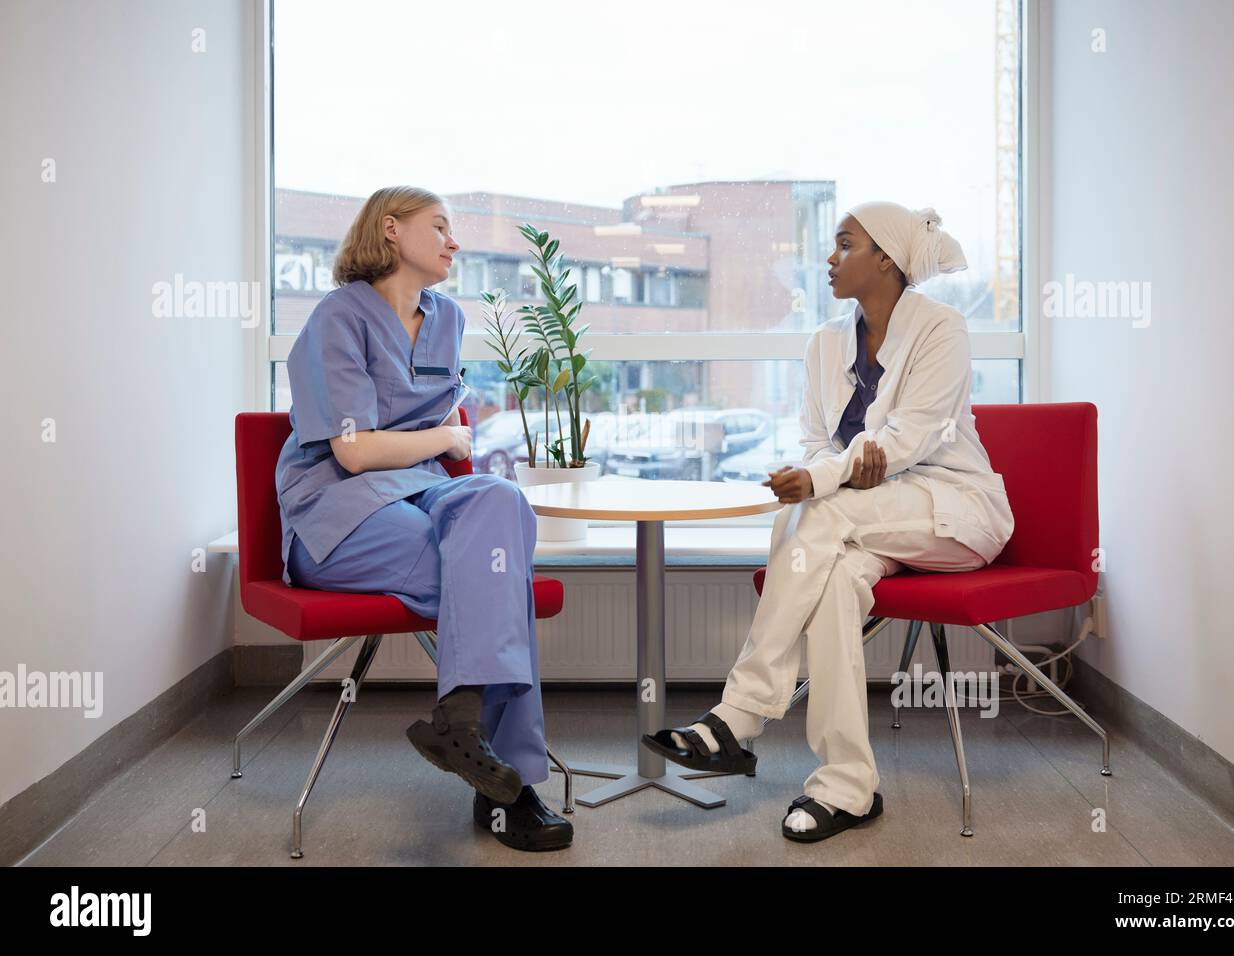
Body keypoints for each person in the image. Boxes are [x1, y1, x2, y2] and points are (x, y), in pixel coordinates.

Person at [644, 201, 1014, 843]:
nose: (830, 258)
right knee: (837, 580)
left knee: (822, 504)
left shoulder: (942, 329)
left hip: (951, 509)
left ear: (888, 260)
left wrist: (822, 478)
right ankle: (848, 786)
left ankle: (738, 715)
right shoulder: (824, 344)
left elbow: (911, 438)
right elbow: (819, 442)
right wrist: (824, 472)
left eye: (846, 244)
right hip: (864, 521)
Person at [275, 186, 571, 852]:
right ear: (390, 231)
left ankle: (459, 725)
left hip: (420, 491)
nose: (453, 241)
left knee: (500, 501)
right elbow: (354, 452)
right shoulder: (337, 319)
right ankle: (513, 788)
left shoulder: (447, 317)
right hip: (336, 512)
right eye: (438, 227)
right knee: (495, 579)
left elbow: (433, 425)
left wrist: (443, 446)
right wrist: (445, 440)